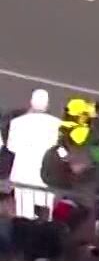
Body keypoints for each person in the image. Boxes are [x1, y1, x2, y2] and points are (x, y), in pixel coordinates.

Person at [4, 89, 60, 218]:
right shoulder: (58, 124)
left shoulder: (18, 122)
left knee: (23, 212)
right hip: (47, 176)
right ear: (47, 105)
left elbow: (12, 148)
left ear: (31, 102)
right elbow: (60, 151)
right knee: (44, 212)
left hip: (23, 175)